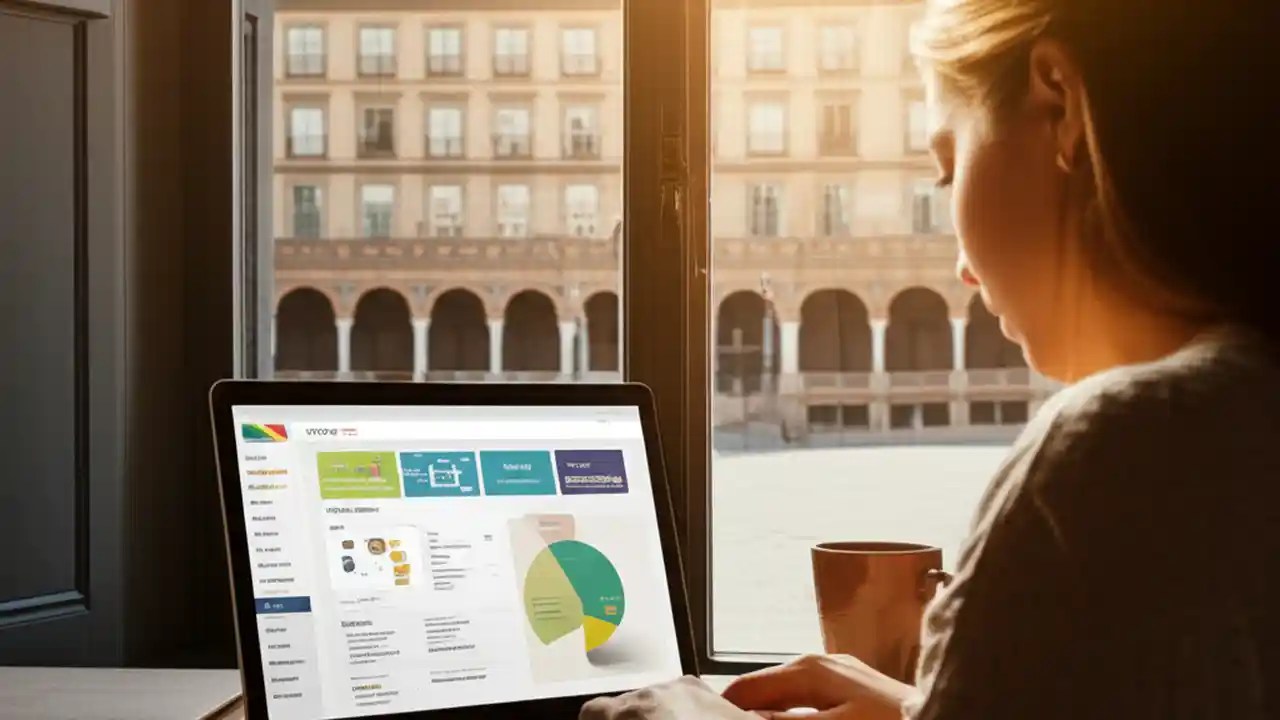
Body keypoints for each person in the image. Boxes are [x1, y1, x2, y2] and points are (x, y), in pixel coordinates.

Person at [582, 0, 1278, 717]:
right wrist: (929, 708)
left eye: (949, 168)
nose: (963, 269)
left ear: (1061, 107)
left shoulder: (1124, 446)